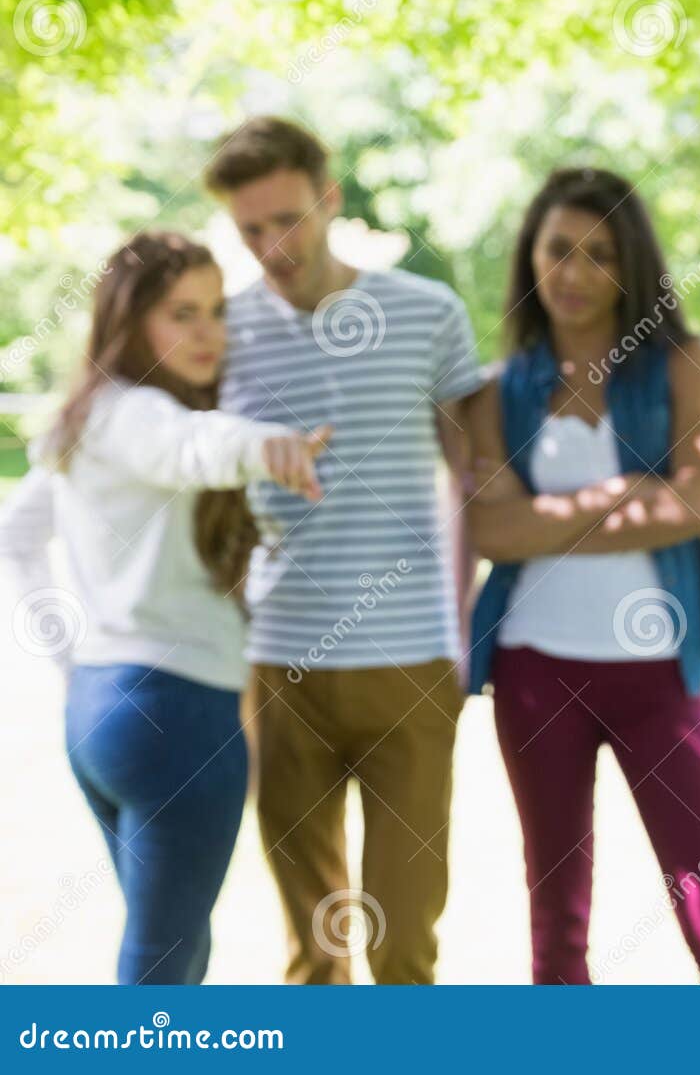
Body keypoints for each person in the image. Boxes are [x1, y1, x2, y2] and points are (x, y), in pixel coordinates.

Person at [0, 231, 328, 984]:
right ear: (131, 319)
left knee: (172, 952)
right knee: (163, 967)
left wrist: (73, 659)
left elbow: (14, 535)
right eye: (182, 313)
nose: (209, 332)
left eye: (216, 311)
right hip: (176, 719)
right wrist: (268, 445)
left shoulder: (90, 419)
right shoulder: (141, 413)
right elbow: (194, 444)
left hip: (99, 710)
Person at [203, 116, 485, 984]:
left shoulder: (428, 312)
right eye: (250, 228)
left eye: (287, 219)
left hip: (411, 663)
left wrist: (465, 617)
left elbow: (474, 476)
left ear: (328, 199)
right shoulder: (224, 331)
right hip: (279, 667)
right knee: (312, 950)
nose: (271, 246)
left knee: (405, 941)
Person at [462, 167, 700, 984]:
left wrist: (544, 519)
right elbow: (490, 530)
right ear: (531, 256)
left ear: (632, 266)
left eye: (600, 254)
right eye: (559, 249)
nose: (575, 273)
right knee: (557, 925)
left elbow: (694, 504)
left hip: (657, 671)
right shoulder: (496, 391)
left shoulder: (681, 362)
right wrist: (628, 494)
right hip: (534, 674)